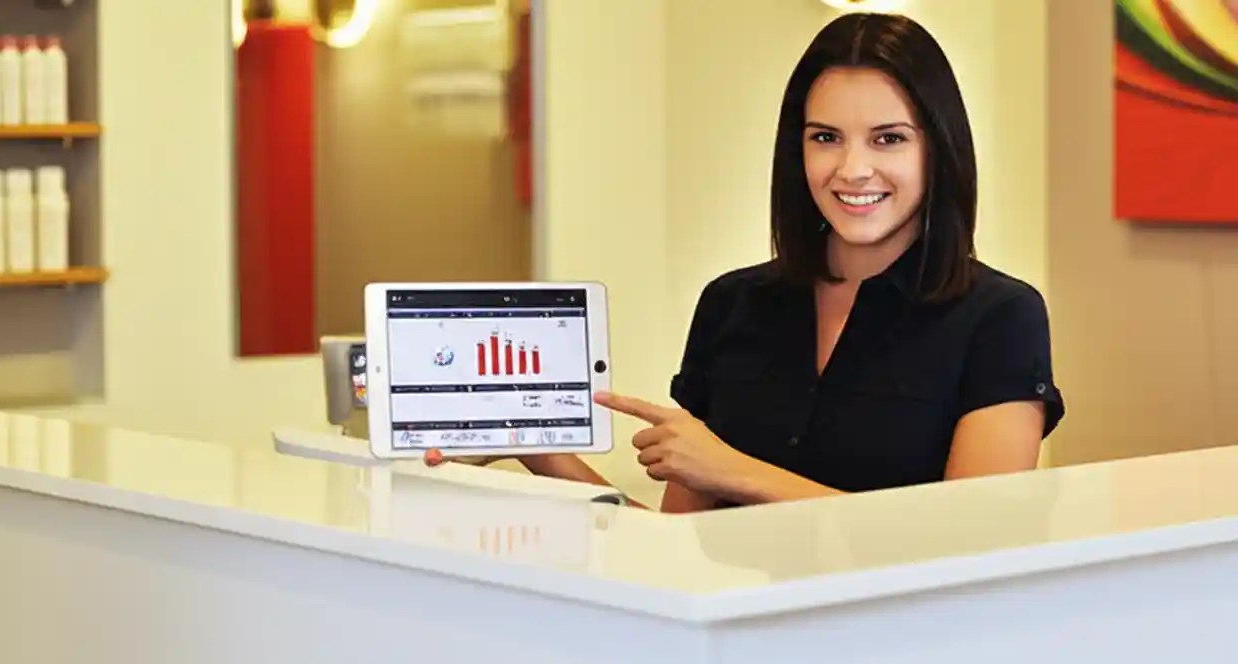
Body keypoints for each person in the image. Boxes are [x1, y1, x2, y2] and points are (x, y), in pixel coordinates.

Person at [427, 11, 1065, 513]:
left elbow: (973, 546)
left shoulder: (1000, 317)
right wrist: (534, 445)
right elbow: (674, 549)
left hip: (895, 663)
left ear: (940, 148)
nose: (853, 169)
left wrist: (732, 469)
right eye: (825, 138)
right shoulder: (733, 304)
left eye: (888, 138)